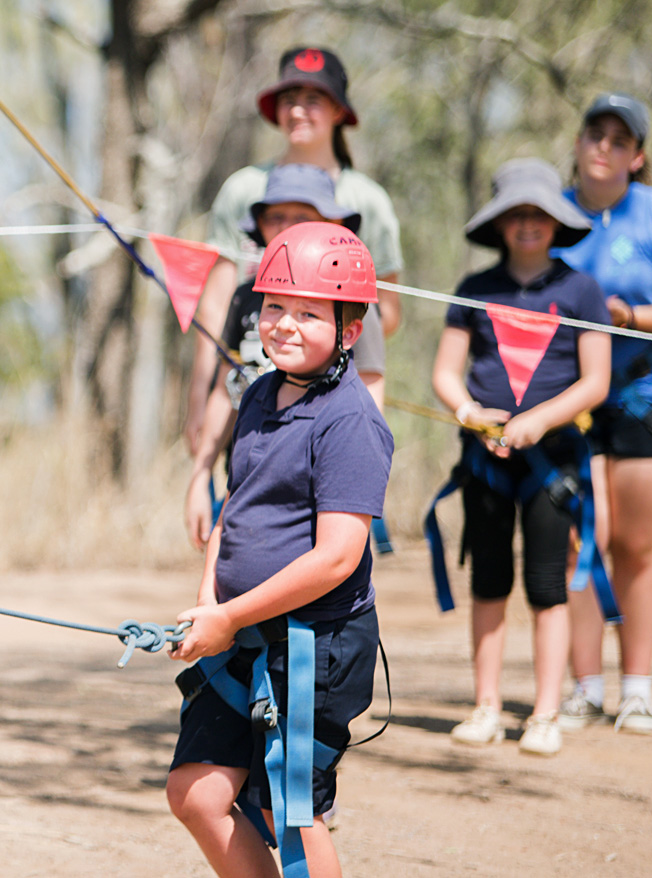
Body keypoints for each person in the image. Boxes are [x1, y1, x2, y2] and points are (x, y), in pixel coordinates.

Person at [167, 222, 388, 878]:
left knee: (288, 808)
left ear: (350, 330)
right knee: (196, 793)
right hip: (240, 630)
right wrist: (210, 605)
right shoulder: (260, 394)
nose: (284, 324)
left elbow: (336, 558)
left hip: (315, 645)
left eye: (309, 312)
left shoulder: (350, 422)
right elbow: (237, 505)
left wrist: (230, 619)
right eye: (273, 307)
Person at [431, 158, 609, 756]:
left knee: (546, 585)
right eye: (516, 215)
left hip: (552, 465)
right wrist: (471, 414)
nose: (528, 224)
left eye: (539, 214)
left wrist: (538, 421)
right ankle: (484, 706)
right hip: (484, 461)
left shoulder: (581, 290)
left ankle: (545, 713)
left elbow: (596, 381)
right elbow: (446, 374)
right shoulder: (473, 291)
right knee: (488, 579)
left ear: (557, 222)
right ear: (499, 224)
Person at [186, 47, 403, 454]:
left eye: (313, 100)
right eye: (288, 100)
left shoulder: (367, 201)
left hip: (333, 405)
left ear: (339, 111)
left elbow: (386, 312)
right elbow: (217, 304)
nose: (298, 111)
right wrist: (200, 394)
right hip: (246, 398)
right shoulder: (242, 189)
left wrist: (312, 349)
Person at [549, 94, 652, 736]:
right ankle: (584, 688)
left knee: (634, 545)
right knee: (583, 545)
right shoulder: (552, 215)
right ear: (577, 144)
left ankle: (636, 690)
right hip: (573, 401)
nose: (602, 146)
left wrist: (628, 316)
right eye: (592, 133)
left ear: (637, 157)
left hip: (649, 402)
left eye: (617, 139)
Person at [183, 164, 368, 549]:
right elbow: (227, 386)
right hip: (247, 467)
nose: (287, 226)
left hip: (316, 478)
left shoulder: (349, 300)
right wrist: (201, 473)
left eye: (302, 216)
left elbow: (370, 387)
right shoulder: (244, 296)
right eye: (276, 216)